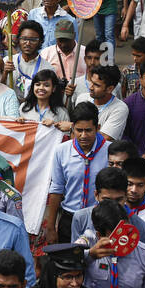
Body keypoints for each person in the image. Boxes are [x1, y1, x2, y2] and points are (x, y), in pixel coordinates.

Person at [41, 102, 108, 244]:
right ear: (72, 128)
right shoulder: (62, 151)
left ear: (98, 128)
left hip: (99, 219)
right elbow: (56, 188)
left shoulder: (109, 151)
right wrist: (51, 227)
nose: (83, 135)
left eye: (89, 130)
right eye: (79, 130)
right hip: (69, 218)